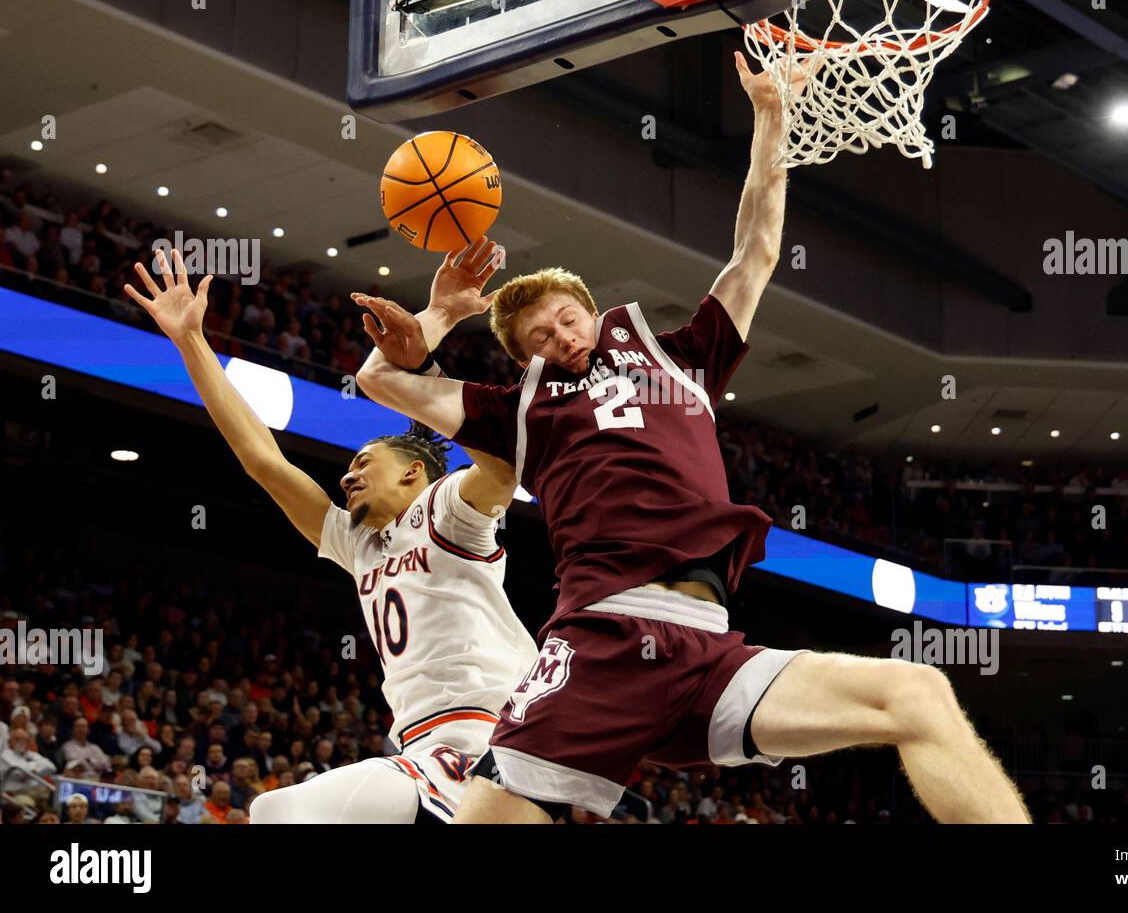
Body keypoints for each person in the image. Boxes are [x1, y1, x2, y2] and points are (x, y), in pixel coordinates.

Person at [352, 54, 1030, 825]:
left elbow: (757, 251)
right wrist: (441, 314)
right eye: (539, 338)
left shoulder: (683, 353)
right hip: (602, 640)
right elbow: (382, 380)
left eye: (567, 321)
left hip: (707, 645)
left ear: (592, 309)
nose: (561, 339)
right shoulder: (518, 411)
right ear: (523, 358)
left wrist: (772, 116)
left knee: (917, 691)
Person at [126, 249, 537, 823]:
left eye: (365, 462)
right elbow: (261, 458)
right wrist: (190, 341)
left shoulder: (449, 512)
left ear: (414, 471)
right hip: (429, 748)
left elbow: (500, 470)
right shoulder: (359, 543)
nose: (348, 474)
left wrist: (434, 333)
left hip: (493, 736)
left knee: (278, 812)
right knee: (278, 811)